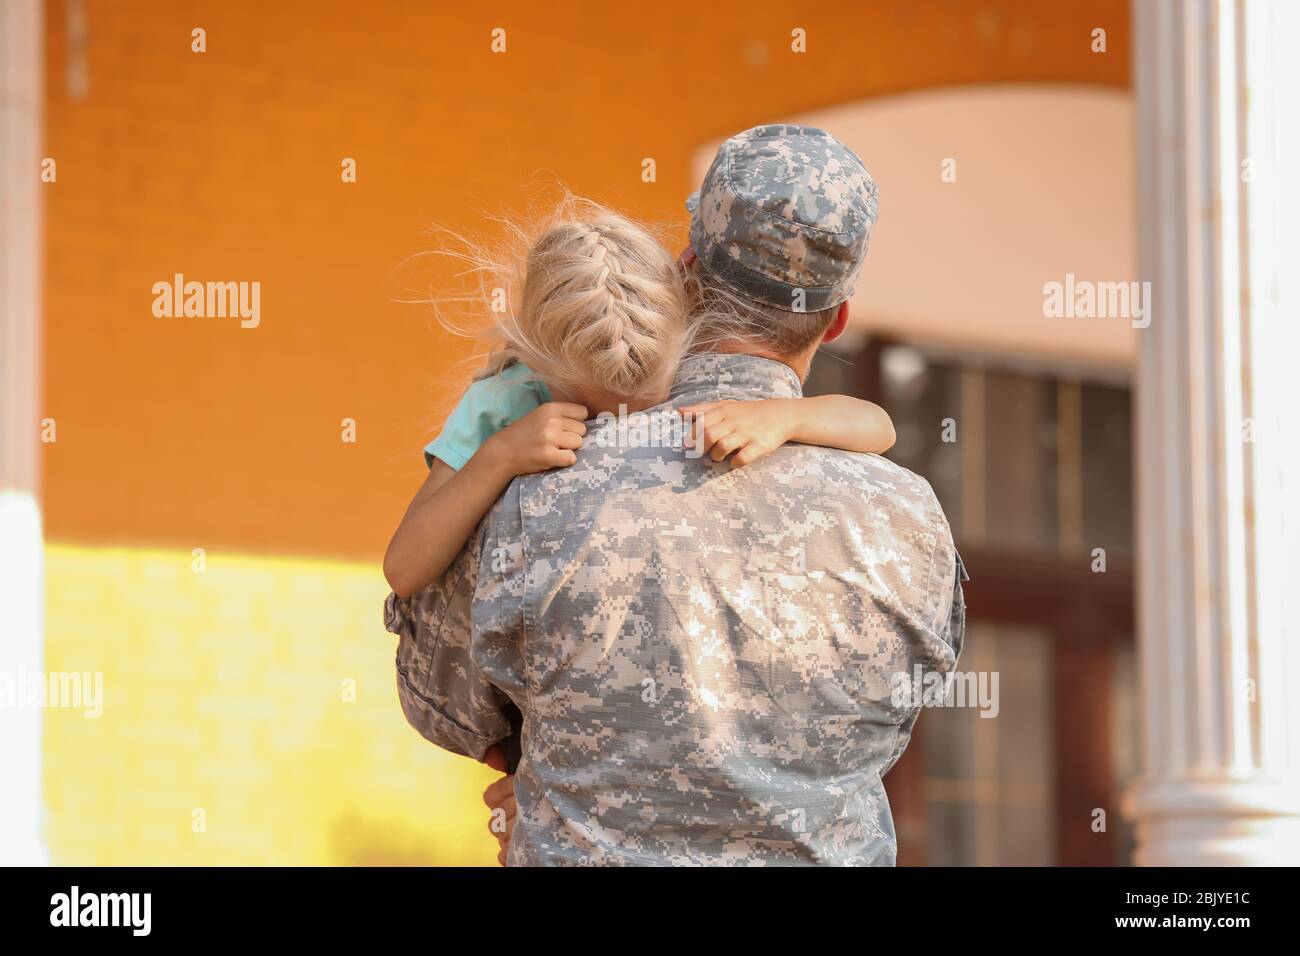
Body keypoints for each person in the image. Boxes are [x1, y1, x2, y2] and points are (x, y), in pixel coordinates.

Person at [386, 125, 965, 866]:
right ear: (838, 317)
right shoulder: (909, 522)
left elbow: (440, 705)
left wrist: (542, 775)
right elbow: (882, 725)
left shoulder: (539, 473)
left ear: (686, 271)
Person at [383, 201, 896, 601]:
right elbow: (404, 570)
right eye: (597, 411)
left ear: (684, 331)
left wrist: (784, 416)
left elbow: (878, 427)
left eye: (641, 405)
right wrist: (499, 456)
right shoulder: (505, 401)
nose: (619, 428)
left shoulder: (691, 367)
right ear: (539, 363)